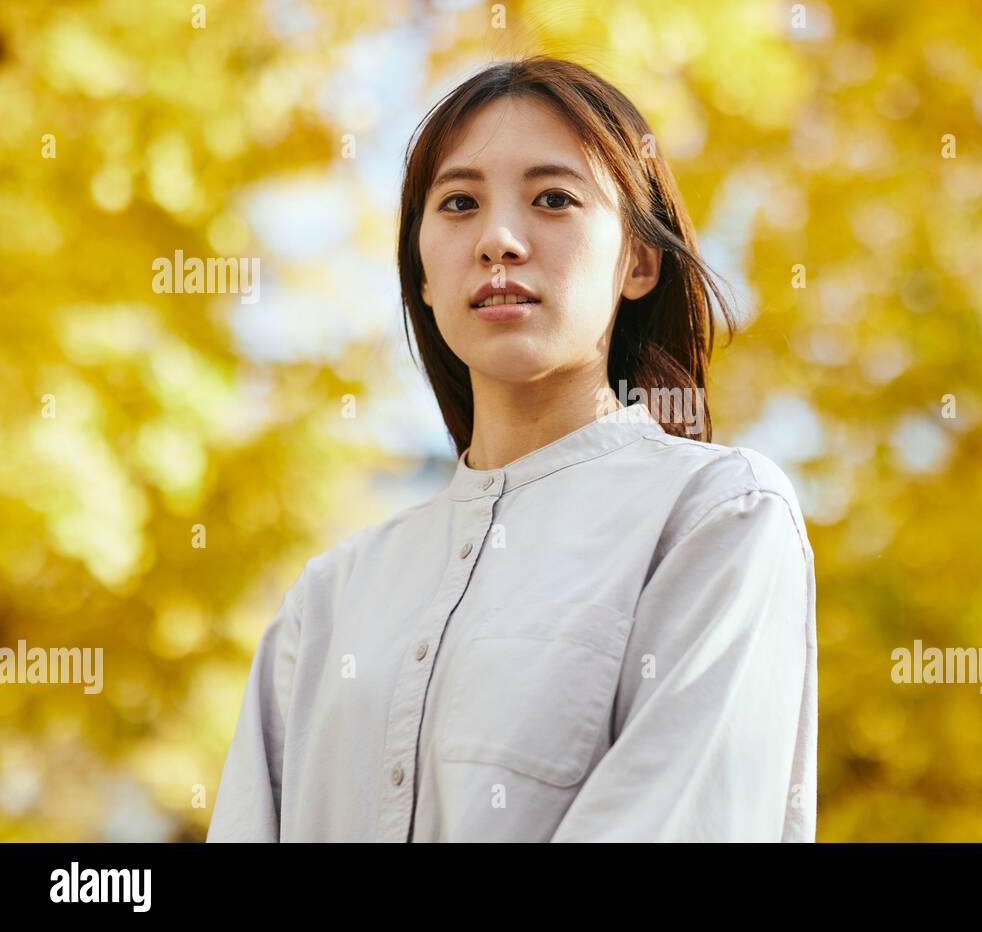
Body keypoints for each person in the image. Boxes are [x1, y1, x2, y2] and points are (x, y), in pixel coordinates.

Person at [207, 56, 817, 842]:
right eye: (459, 202)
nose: (498, 238)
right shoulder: (327, 600)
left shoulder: (718, 519)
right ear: (422, 277)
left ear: (639, 260)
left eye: (553, 199)